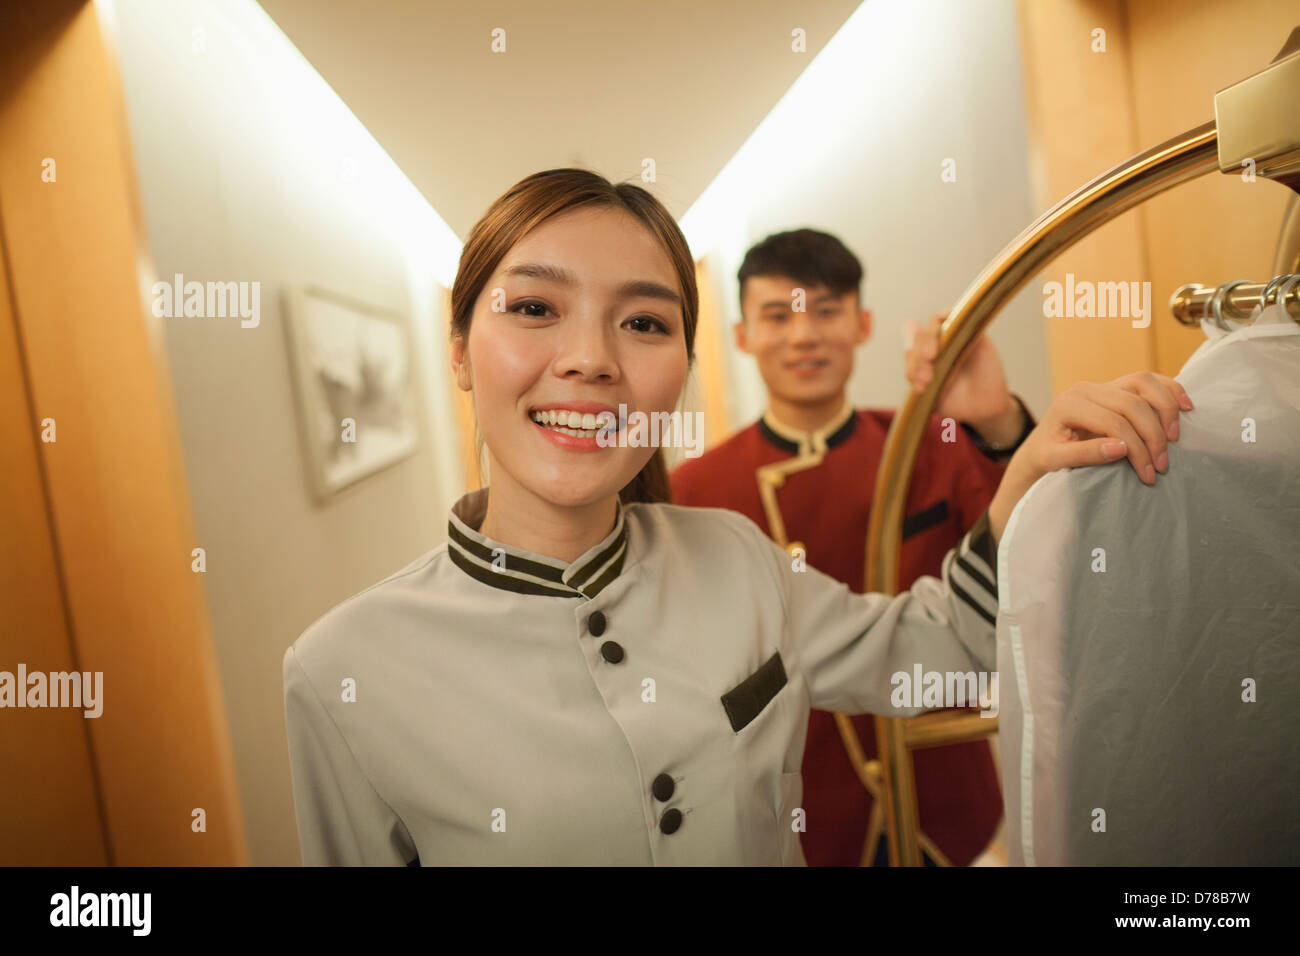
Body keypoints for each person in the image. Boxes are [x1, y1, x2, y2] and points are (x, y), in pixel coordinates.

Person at [281, 168, 1192, 865]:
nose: (591, 359)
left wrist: (1025, 458)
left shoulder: (734, 555)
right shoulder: (341, 675)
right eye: (533, 308)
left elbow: (946, 651)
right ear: (459, 348)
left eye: (643, 323)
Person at [669, 229, 1031, 866]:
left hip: (947, 791)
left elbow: (1030, 550)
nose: (804, 336)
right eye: (777, 316)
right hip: (805, 813)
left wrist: (999, 421)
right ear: (742, 336)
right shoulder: (694, 490)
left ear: (862, 324)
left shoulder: (928, 441)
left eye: (827, 311)